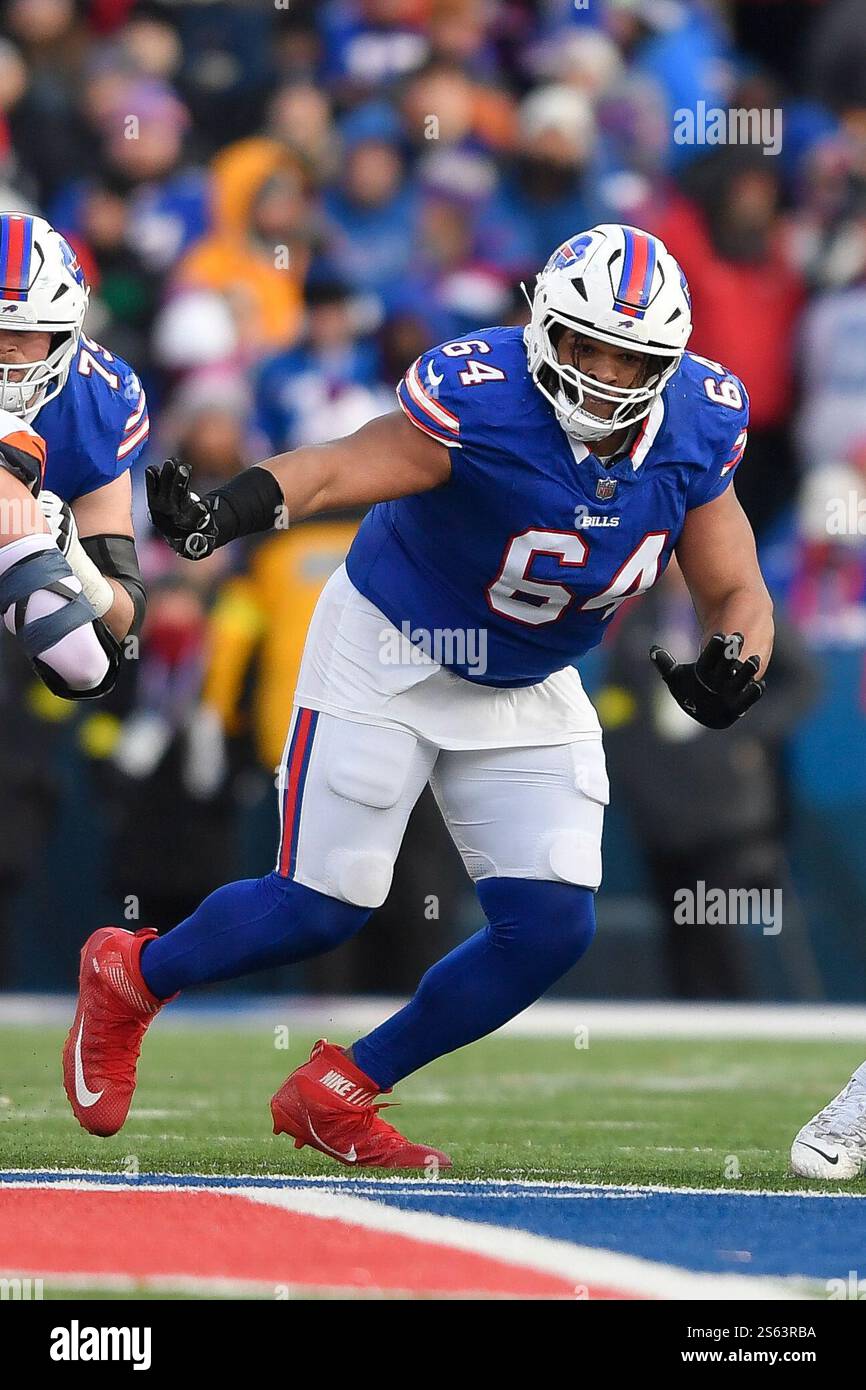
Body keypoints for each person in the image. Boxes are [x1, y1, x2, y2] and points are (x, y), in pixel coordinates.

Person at [63, 223, 773, 1169]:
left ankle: (343, 1090)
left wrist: (737, 662)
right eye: (584, 344)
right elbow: (337, 467)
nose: (602, 373)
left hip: (526, 678)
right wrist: (224, 513)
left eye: (629, 355)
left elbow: (736, 584)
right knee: (323, 903)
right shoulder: (484, 398)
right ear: (541, 330)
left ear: (670, 361)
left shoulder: (698, 420)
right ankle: (132, 974)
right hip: (390, 647)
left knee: (552, 925)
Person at [0, 212, 148, 702]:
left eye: (23, 332)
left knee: (87, 665)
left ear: (65, 333)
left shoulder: (97, 404)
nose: (5, 350)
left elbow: (125, 623)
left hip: (26, 604)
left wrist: (76, 561)